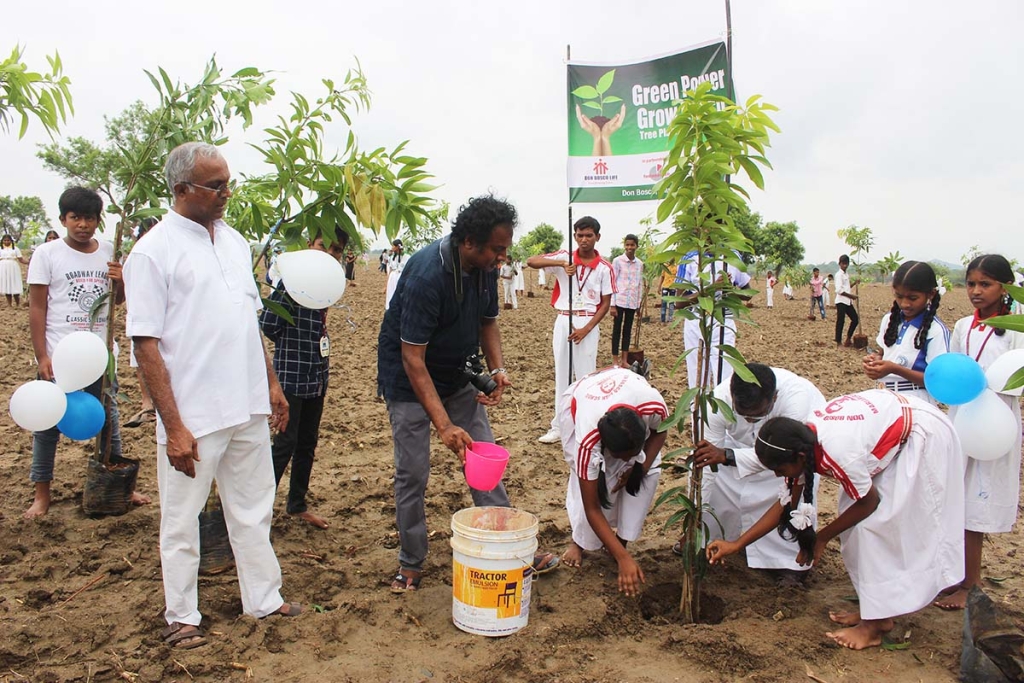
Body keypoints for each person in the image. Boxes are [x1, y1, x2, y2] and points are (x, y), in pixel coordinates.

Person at [124, 142, 300, 650]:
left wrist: (269, 384)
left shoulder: (235, 242)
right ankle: (181, 615)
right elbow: (146, 345)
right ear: (181, 190)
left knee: (253, 507)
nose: (227, 193)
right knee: (182, 518)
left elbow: (246, 320)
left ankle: (263, 599)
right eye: (215, 186)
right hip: (194, 412)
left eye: (228, 183)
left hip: (245, 402)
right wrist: (172, 424)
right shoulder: (152, 252)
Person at [377, 194, 558, 592]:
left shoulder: (484, 269)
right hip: (409, 380)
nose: (502, 257)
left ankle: (508, 545)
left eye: (505, 249)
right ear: (469, 242)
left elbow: (488, 322)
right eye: (497, 249)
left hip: (456, 372)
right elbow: (412, 359)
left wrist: (497, 370)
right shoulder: (427, 274)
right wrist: (442, 425)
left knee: (484, 459)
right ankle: (411, 561)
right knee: (412, 473)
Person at [708, 390, 965, 650]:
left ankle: (874, 626)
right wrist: (737, 545)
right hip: (888, 427)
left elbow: (869, 503)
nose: (777, 475)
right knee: (855, 527)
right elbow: (786, 506)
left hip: (922, 436)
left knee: (871, 529)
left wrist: (822, 538)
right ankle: (876, 611)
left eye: (779, 470)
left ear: (797, 458)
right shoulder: (801, 444)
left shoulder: (839, 452)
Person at [23, 187, 149, 519]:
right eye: (75, 217)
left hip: (100, 355)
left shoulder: (108, 251)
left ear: (98, 220)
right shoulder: (47, 254)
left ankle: (120, 484)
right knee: (47, 425)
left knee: (109, 420)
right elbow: (37, 308)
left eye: (89, 218)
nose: (83, 224)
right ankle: (42, 495)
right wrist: (42, 356)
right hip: (60, 356)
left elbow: (118, 300)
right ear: (63, 219)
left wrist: (121, 280)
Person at [936, 254, 1024, 611]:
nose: (976, 291)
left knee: (977, 502)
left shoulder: (1017, 330)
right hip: (963, 419)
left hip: (995, 423)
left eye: (985, 284)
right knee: (955, 497)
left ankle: (970, 582)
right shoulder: (962, 327)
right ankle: (956, 575)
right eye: (971, 283)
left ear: (1005, 288)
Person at [692, 364, 826, 584]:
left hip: (785, 454)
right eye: (743, 415)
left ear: (774, 398)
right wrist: (695, 517)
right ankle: (712, 540)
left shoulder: (796, 399)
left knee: (783, 491)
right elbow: (706, 461)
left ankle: (785, 561)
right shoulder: (718, 401)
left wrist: (728, 456)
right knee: (718, 482)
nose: (750, 422)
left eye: (757, 417)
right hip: (735, 450)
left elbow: (787, 456)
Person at [260, 227, 349, 530]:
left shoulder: (326, 285)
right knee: (285, 442)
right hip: (291, 374)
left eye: (336, 250)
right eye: (324, 246)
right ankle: (257, 512)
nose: (329, 254)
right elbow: (269, 326)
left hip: (317, 372)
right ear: (310, 245)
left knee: (307, 442)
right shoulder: (292, 283)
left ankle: (296, 504)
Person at [558, 367, 668, 597]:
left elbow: (660, 432)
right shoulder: (588, 441)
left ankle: (620, 542)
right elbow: (592, 508)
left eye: (634, 452)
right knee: (597, 482)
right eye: (622, 456)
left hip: (623, 387)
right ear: (607, 448)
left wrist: (639, 467)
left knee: (649, 474)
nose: (629, 460)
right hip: (582, 401)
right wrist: (624, 560)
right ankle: (578, 542)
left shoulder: (653, 406)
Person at [527, 216, 615, 444]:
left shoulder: (605, 268)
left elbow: (605, 304)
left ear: (598, 237)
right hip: (564, 319)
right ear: (574, 236)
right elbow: (531, 261)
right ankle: (559, 426)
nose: (583, 240)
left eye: (589, 235)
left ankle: (587, 426)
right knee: (561, 375)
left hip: (587, 323)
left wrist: (586, 329)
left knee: (586, 376)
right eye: (579, 235)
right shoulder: (565, 257)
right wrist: (559, 265)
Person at [862, 261, 949, 404]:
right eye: (899, 296)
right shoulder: (889, 320)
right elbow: (885, 353)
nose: (904, 304)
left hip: (916, 402)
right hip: (884, 396)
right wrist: (875, 360)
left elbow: (937, 380)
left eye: (912, 298)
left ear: (931, 294)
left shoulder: (936, 331)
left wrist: (895, 369)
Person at [676, 251, 752, 389]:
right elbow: (679, 303)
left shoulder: (732, 255)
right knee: (697, 377)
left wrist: (729, 289)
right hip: (696, 320)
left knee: (723, 375)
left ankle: (722, 409)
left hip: (722, 320)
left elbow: (747, 294)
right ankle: (697, 410)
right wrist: (710, 289)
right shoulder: (689, 257)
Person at [610, 234, 643, 367]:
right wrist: (612, 305)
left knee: (627, 330)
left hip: (632, 301)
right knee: (617, 330)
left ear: (636, 246)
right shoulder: (617, 261)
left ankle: (624, 360)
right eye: (627, 245)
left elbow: (639, 283)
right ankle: (615, 360)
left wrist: (638, 305)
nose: (629, 247)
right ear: (624, 246)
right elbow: (612, 282)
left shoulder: (640, 264)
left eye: (632, 245)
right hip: (619, 300)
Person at [834, 255, 859, 347]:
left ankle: (848, 338)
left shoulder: (846, 274)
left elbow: (847, 288)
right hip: (841, 301)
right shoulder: (839, 275)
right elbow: (839, 290)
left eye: (846, 264)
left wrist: (855, 283)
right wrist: (851, 296)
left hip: (848, 301)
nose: (845, 265)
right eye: (843, 264)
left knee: (855, 319)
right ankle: (838, 341)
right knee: (841, 321)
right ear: (839, 264)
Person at [0, 234, 28, 307]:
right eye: (5, 240)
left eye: (8, 240)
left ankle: (17, 303)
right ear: (2, 241)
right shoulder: (1, 249)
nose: (6, 242)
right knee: (6, 285)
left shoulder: (15, 249)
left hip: (13, 267)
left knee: (14, 284)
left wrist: (29, 262)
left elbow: (21, 259)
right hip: (3, 267)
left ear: (11, 241)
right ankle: (10, 304)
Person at [384, 239, 405, 310]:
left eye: (393, 245)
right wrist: (387, 281)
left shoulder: (406, 256)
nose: (392, 247)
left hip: (400, 276)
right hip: (392, 277)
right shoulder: (392, 257)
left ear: (397, 247)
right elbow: (389, 269)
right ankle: (390, 307)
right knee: (391, 292)